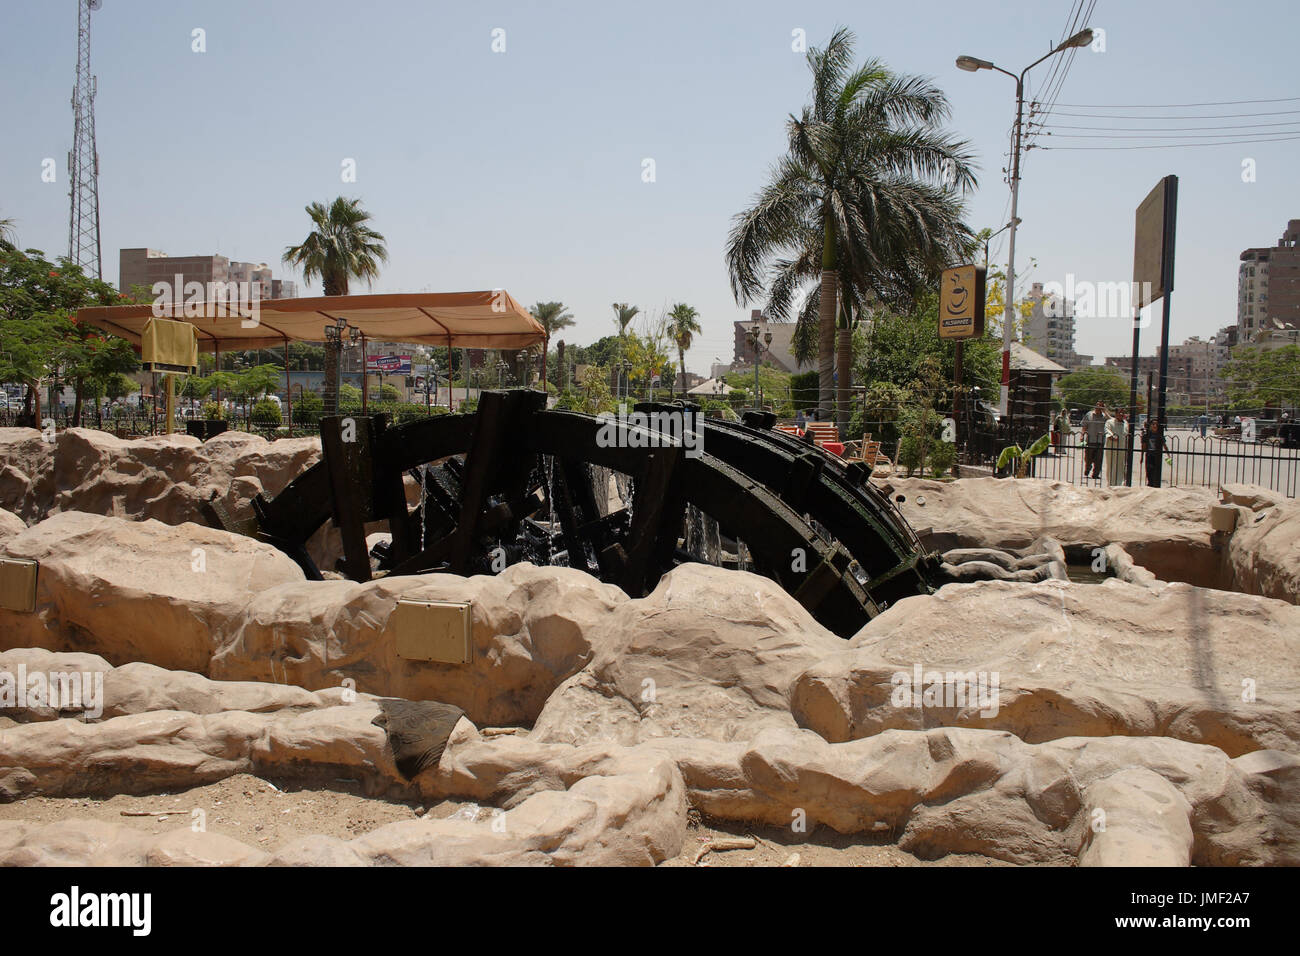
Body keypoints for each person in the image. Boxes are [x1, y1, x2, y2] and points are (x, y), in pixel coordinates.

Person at [1081, 401, 1108, 480]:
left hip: (1100, 440)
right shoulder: (1089, 414)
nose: (1099, 407)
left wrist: (1105, 411)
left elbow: (1112, 420)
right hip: (1090, 439)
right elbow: (1084, 426)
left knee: (1098, 459)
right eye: (1098, 405)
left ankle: (1095, 474)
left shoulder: (1105, 416)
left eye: (1101, 406)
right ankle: (1088, 468)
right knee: (1088, 458)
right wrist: (1082, 435)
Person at [1140, 418, 1169, 487]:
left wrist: (1168, 455)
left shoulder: (1159, 435)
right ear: (1150, 425)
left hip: (1157, 455)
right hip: (1149, 455)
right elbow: (1143, 447)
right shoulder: (1147, 435)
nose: (1155, 426)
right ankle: (1150, 484)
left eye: (1156, 424)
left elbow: (1164, 445)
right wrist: (1141, 457)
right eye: (1153, 424)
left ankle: (1155, 484)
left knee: (1156, 471)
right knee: (1149, 470)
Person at [1105, 407, 1128, 486]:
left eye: (1122, 412)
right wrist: (1112, 436)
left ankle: (1119, 483)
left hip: (1122, 449)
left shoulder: (1125, 423)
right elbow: (1107, 430)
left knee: (1121, 466)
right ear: (1115, 414)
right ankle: (1111, 483)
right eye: (1119, 412)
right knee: (1111, 465)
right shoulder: (1110, 422)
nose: (1121, 414)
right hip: (1112, 448)